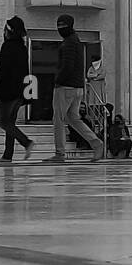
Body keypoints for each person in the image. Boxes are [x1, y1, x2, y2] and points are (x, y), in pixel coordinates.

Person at [46, 14, 105, 163]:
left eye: (62, 26)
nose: (60, 28)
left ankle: (60, 153)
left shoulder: (69, 43)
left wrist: (57, 81)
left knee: (58, 119)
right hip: (78, 87)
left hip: (66, 87)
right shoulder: (76, 41)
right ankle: (96, 143)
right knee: (73, 118)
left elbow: (67, 65)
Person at [0, 16, 33, 163]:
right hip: (19, 92)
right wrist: (28, 93)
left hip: (7, 92)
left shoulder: (7, 46)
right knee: (10, 124)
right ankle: (8, 155)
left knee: (3, 122)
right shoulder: (22, 47)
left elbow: (2, 71)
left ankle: (26, 142)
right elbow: (26, 71)